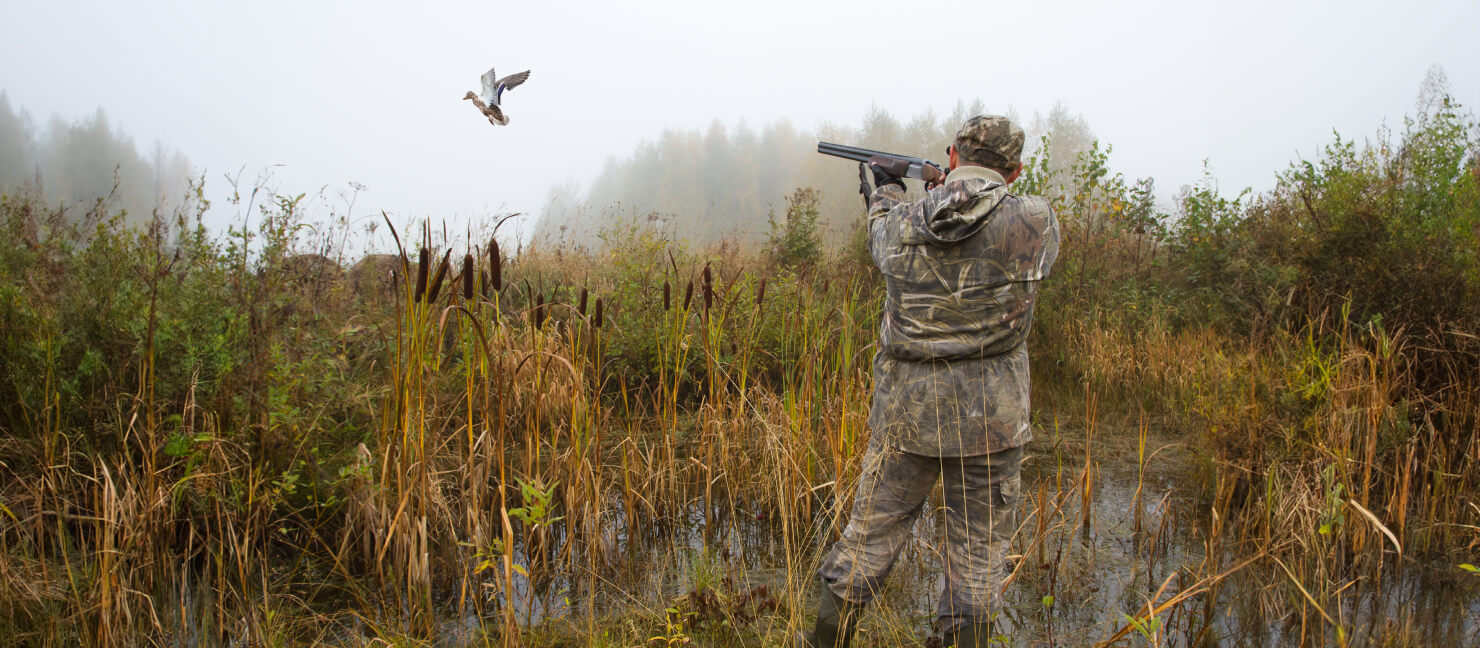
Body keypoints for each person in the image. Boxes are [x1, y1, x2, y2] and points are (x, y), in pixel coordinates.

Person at [798, 115, 1060, 648]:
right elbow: (993, 226)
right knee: (978, 557)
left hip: (907, 416)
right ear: (1016, 170)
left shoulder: (902, 219)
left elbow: (884, 237)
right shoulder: (1036, 221)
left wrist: (888, 187)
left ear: (953, 154)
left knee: (868, 540)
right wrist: (956, 190)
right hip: (993, 422)